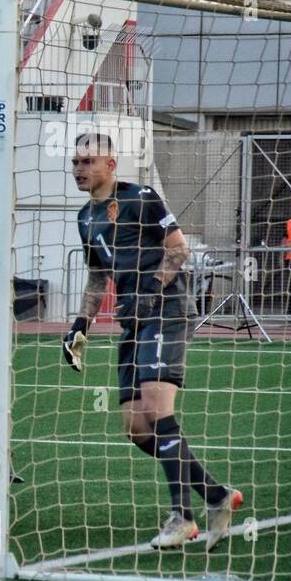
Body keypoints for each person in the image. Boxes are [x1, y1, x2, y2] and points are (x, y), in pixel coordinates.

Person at [64, 133, 242, 550]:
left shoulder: (141, 197)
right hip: (132, 320)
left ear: (111, 165)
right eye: (75, 161)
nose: (79, 168)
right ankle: (216, 494)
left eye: (88, 161)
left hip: (165, 310)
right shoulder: (84, 218)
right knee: (135, 427)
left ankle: (183, 517)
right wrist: (79, 324)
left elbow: (178, 250)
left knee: (156, 408)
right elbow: (96, 278)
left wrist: (151, 292)